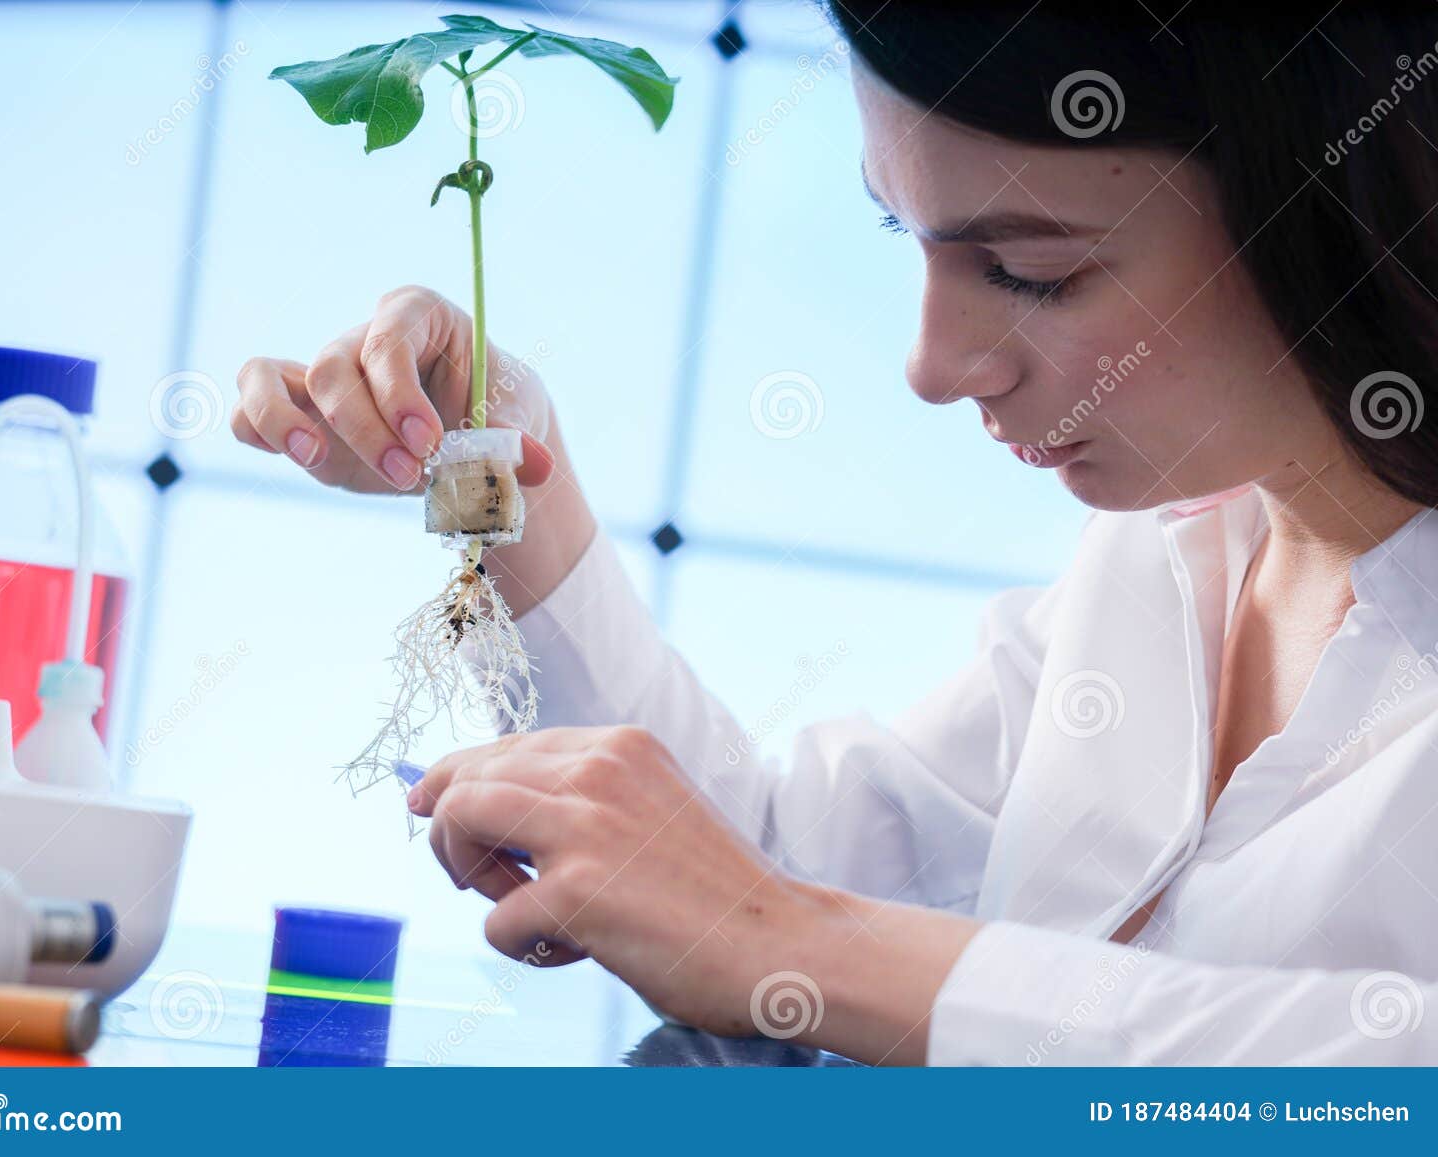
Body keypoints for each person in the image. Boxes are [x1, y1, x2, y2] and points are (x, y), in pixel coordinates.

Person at [232, 2, 1438, 1064]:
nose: (929, 366)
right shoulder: (1159, 570)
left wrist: (796, 936)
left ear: (1331, 201)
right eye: (900, 236)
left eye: (1028, 269)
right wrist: (500, 470)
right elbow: (756, 874)